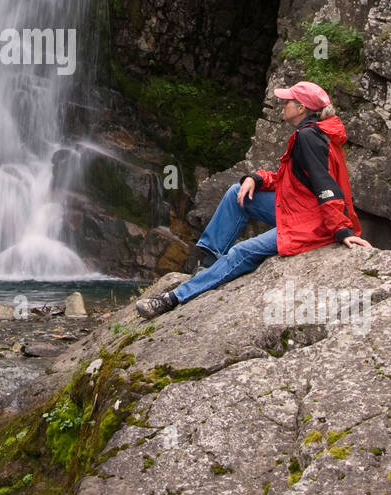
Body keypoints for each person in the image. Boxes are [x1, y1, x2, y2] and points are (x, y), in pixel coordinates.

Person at [136, 80, 372, 318]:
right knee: (236, 193)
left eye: (287, 101)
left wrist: (342, 231)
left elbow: (326, 188)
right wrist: (256, 179)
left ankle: (173, 298)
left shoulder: (309, 138)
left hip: (310, 223)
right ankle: (207, 265)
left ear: (301, 108)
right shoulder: (311, 133)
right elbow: (287, 179)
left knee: (241, 253)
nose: (282, 104)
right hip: (296, 208)